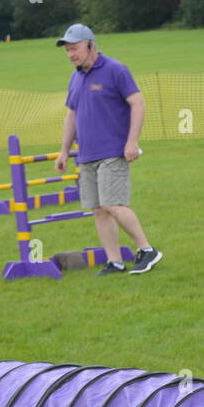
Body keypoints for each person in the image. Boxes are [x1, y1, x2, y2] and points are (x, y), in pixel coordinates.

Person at [53, 24, 162, 276]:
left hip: (113, 151)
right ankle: (115, 261)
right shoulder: (75, 77)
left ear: (91, 45)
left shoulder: (115, 70)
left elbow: (138, 103)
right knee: (99, 210)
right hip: (86, 155)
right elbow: (72, 115)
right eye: (67, 50)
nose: (71, 54)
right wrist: (63, 151)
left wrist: (132, 141)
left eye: (75, 48)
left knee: (114, 204)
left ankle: (146, 250)